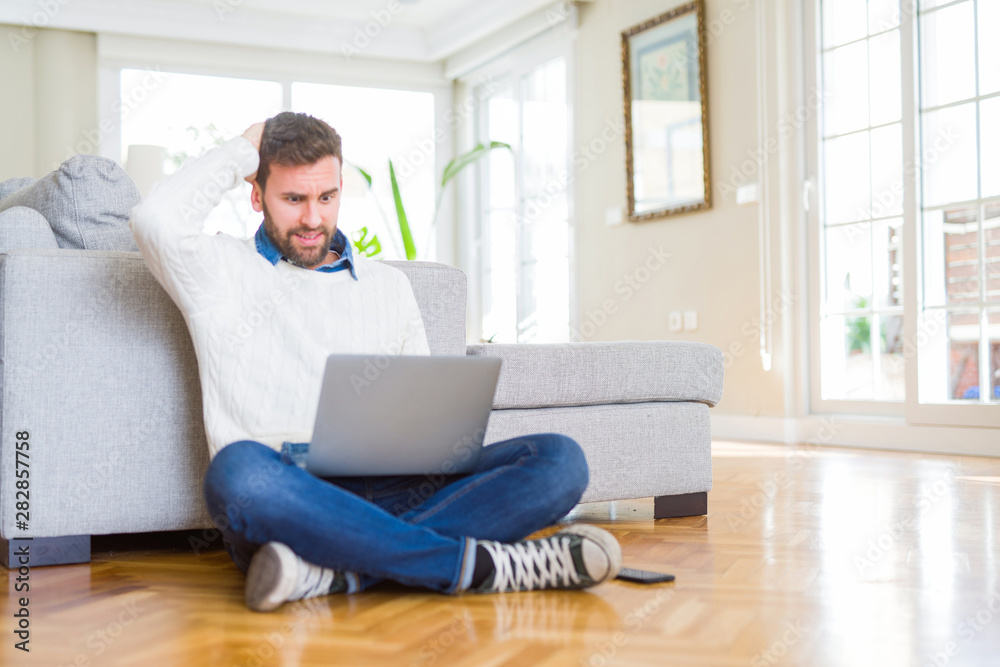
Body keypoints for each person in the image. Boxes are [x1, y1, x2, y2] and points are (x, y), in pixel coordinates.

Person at [129, 112, 622, 612]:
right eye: (293, 199)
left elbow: (425, 420)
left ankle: (332, 574)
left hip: (398, 488)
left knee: (560, 460)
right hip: (292, 496)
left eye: (327, 197)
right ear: (257, 196)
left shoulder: (389, 286)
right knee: (237, 472)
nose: (313, 219)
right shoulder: (218, 271)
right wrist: (243, 147)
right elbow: (154, 221)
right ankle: (476, 568)